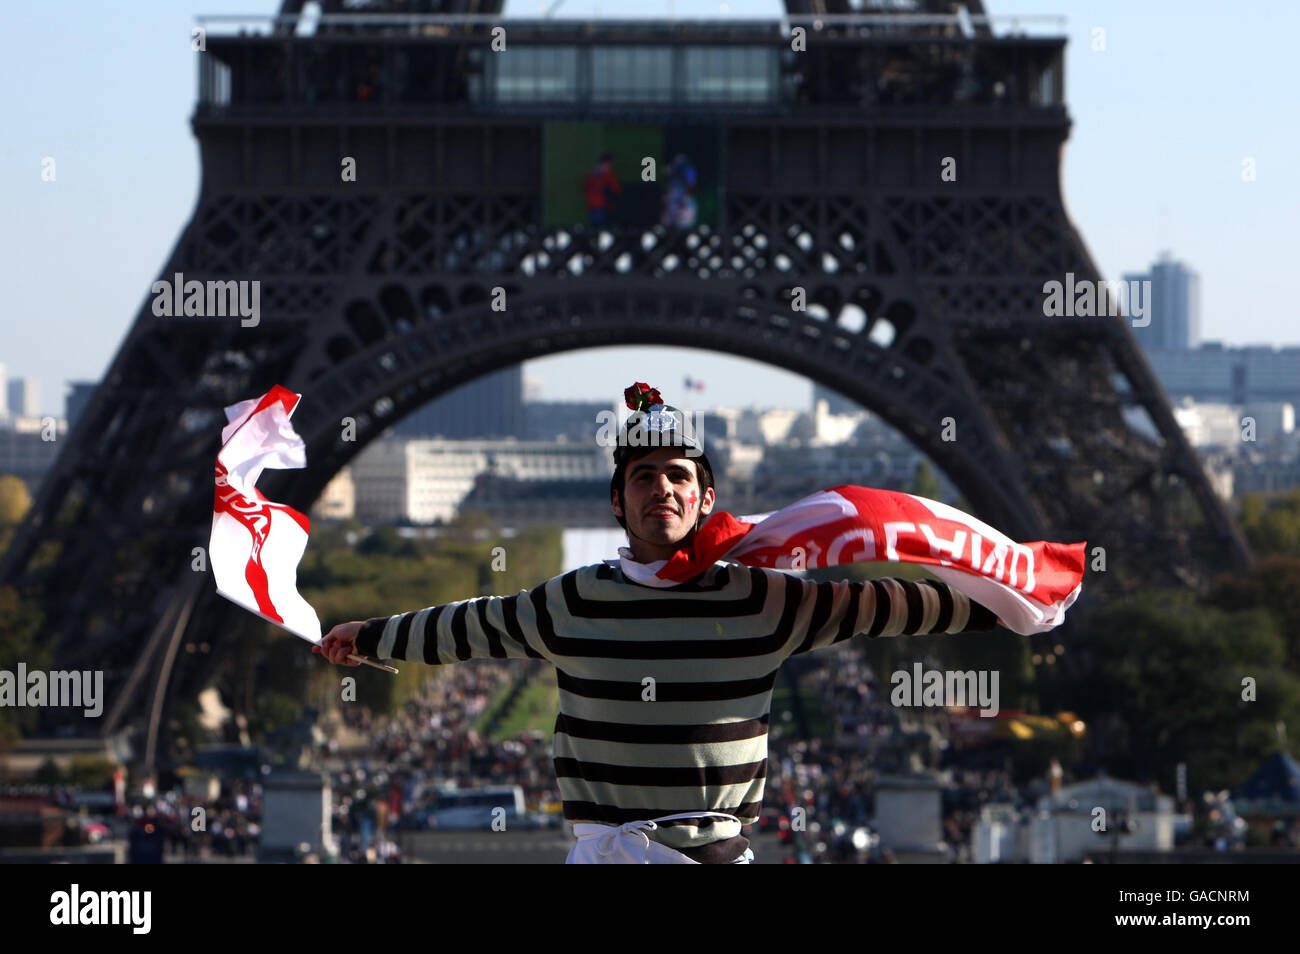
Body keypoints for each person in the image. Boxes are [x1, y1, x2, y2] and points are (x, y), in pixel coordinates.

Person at [316, 382, 1002, 864]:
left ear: (706, 498)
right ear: (619, 501)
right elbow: (469, 626)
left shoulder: (764, 599)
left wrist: (1005, 602)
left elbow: (882, 605)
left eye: (677, 476)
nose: (662, 489)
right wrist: (373, 636)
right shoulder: (573, 600)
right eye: (644, 478)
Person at [581, 152, 622, 228]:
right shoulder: (604, 175)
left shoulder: (593, 174)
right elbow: (616, 189)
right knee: (600, 227)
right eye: (609, 164)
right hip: (601, 207)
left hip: (597, 206)